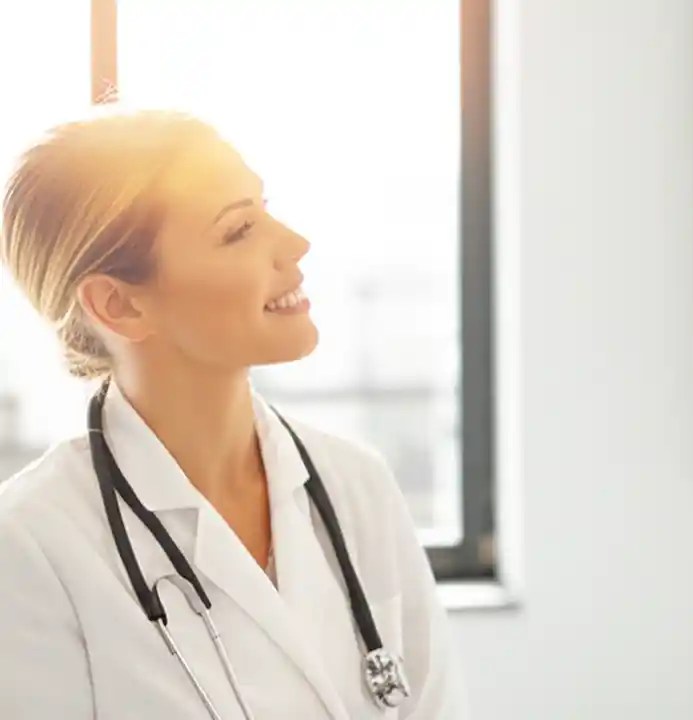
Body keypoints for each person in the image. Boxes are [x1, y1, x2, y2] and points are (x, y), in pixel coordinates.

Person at [0, 109, 468, 719]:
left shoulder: (358, 484)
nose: (295, 245)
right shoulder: (30, 544)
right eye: (239, 229)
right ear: (117, 304)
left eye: (264, 207)